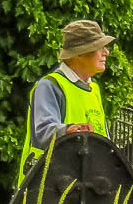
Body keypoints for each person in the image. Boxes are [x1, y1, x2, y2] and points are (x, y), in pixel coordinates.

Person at [18, 20, 114, 185]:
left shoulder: (94, 89)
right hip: (48, 190)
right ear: (79, 53)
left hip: (84, 189)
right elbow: (43, 133)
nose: (106, 52)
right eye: (100, 47)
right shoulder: (50, 86)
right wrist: (69, 131)